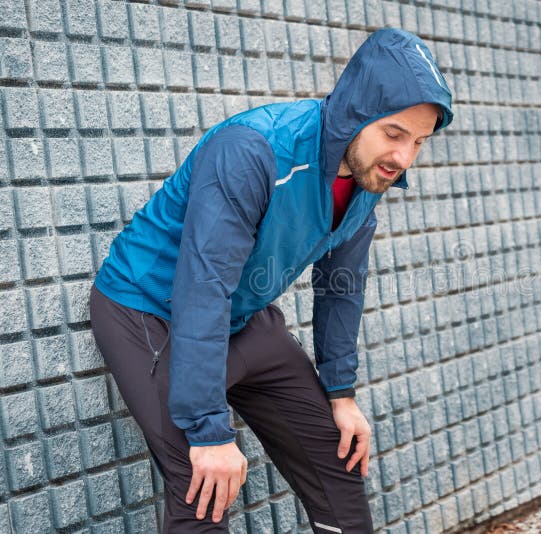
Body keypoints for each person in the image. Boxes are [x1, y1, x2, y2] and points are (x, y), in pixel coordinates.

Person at [89, 28, 453, 533]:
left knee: (338, 456)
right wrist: (209, 431)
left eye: (419, 142)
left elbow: (341, 284)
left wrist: (340, 393)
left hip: (239, 315)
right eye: (394, 134)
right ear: (356, 112)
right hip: (148, 312)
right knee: (202, 490)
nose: (404, 158)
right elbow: (202, 286)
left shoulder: (370, 175)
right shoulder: (253, 150)